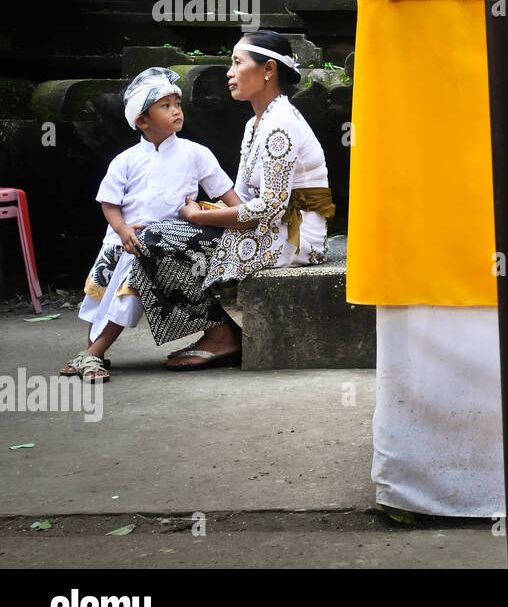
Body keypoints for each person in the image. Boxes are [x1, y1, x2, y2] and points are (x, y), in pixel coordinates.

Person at [129, 31, 334, 370]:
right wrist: (186, 218)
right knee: (152, 234)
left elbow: (268, 208)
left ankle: (221, 335)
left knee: (155, 240)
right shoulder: (256, 123)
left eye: (237, 63)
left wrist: (198, 219)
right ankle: (218, 331)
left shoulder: (279, 125)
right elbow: (240, 200)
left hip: (292, 238)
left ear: (268, 69)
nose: (229, 72)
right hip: (271, 226)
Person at [61, 67, 237, 382]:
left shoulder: (195, 154)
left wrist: (241, 215)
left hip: (155, 249)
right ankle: (91, 353)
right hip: (118, 242)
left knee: (125, 298)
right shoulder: (125, 160)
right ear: (142, 121)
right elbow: (109, 203)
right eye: (165, 106)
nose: (176, 111)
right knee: (101, 296)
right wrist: (122, 229)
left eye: (177, 104)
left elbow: (225, 192)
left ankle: (92, 356)